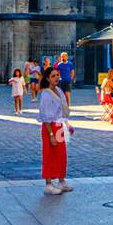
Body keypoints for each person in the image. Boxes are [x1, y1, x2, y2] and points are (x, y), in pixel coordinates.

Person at [38, 66, 73, 196]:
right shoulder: (46, 94)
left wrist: (67, 125)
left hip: (59, 125)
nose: (56, 78)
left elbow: (63, 110)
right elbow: (45, 116)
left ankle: (61, 180)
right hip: (50, 127)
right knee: (49, 154)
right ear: (47, 78)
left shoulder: (59, 90)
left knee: (61, 154)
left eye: (57, 75)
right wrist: (51, 134)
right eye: (53, 76)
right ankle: (48, 183)